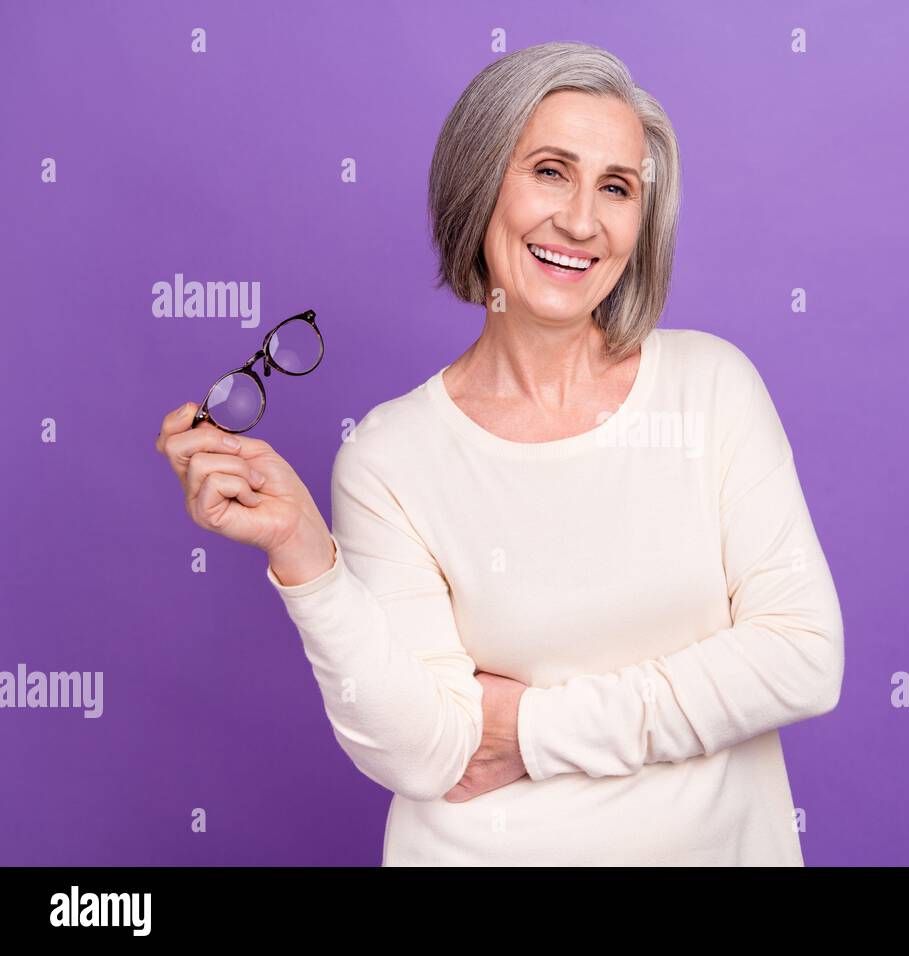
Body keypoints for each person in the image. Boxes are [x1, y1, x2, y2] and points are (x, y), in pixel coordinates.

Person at [155, 41, 844, 866]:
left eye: (616, 187)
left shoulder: (713, 386)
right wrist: (305, 553)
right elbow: (426, 754)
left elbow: (803, 658)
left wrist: (532, 728)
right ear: (480, 184)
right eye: (551, 171)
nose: (582, 220)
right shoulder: (390, 456)